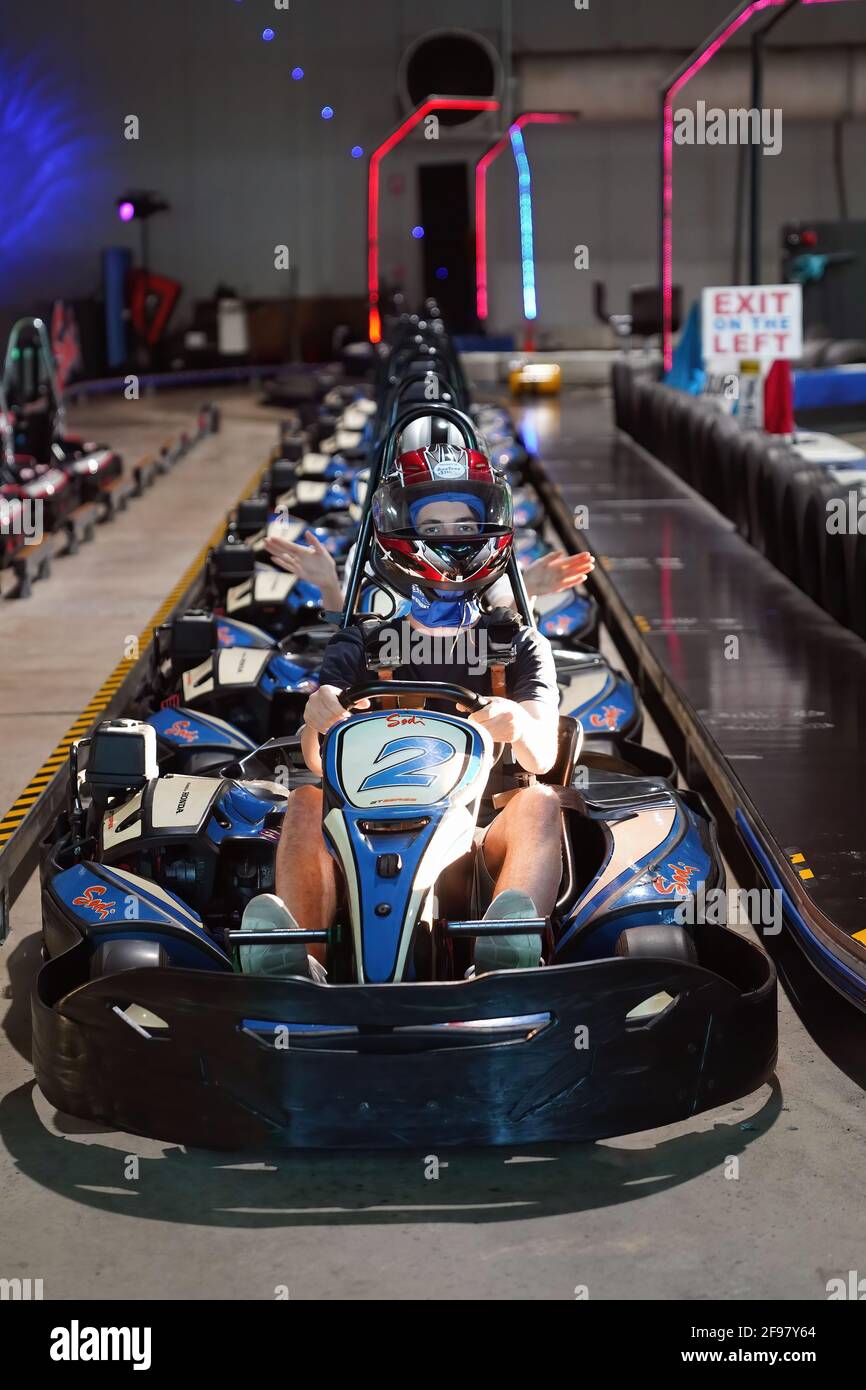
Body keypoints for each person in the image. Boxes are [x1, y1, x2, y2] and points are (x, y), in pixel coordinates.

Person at [242, 442, 573, 980]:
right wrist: (316, 716)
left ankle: (505, 950)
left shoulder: (518, 643)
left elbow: (542, 755)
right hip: (365, 823)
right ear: (400, 532)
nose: (449, 536)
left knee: (540, 803)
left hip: (480, 827)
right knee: (304, 799)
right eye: (433, 522)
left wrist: (516, 720)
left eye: (465, 524)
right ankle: (303, 963)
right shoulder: (364, 642)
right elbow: (321, 762)